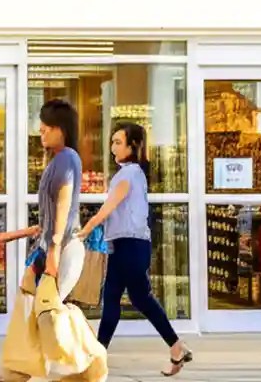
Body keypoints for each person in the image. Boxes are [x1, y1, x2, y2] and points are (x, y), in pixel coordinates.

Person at [77, 122, 192, 377]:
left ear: (132, 146)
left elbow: (110, 206)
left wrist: (88, 227)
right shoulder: (132, 172)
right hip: (126, 245)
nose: (112, 147)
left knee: (131, 300)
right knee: (122, 300)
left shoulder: (128, 174)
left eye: (118, 142)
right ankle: (174, 348)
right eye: (112, 141)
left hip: (130, 245)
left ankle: (97, 360)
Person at [0, 99, 86, 382]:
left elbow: (63, 205)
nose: (42, 132)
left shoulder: (67, 159)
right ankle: (25, 368)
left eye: (48, 128)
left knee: (46, 312)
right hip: (47, 248)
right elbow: (47, 219)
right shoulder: (56, 161)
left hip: (62, 248)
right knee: (30, 307)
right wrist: (12, 236)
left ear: (62, 130)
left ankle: (78, 361)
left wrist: (55, 252)